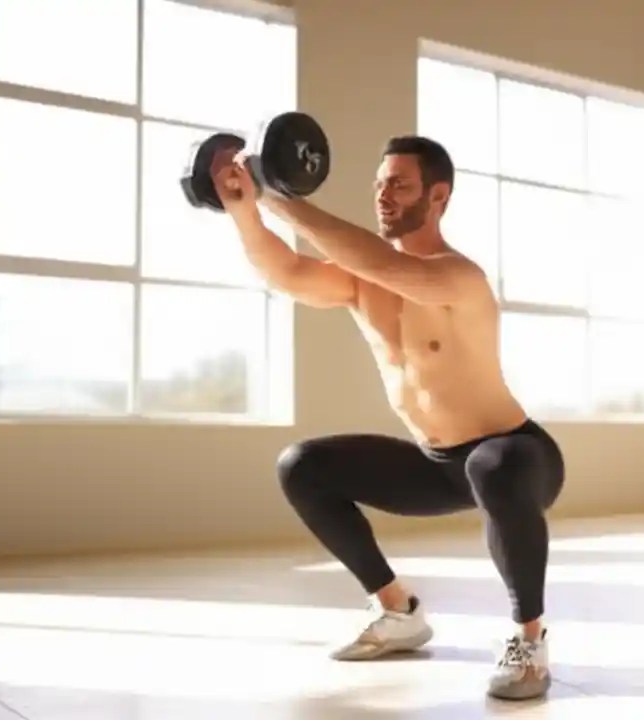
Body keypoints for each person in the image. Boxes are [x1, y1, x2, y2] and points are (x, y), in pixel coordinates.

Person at [211, 135, 566, 701]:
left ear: (439, 196)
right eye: (379, 184)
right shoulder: (363, 282)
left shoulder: (458, 277)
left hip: (515, 454)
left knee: (493, 469)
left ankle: (530, 643)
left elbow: (377, 262)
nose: (384, 195)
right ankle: (398, 612)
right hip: (436, 464)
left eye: (399, 184)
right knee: (302, 466)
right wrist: (244, 209)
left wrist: (278, 197)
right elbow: (287, 271)